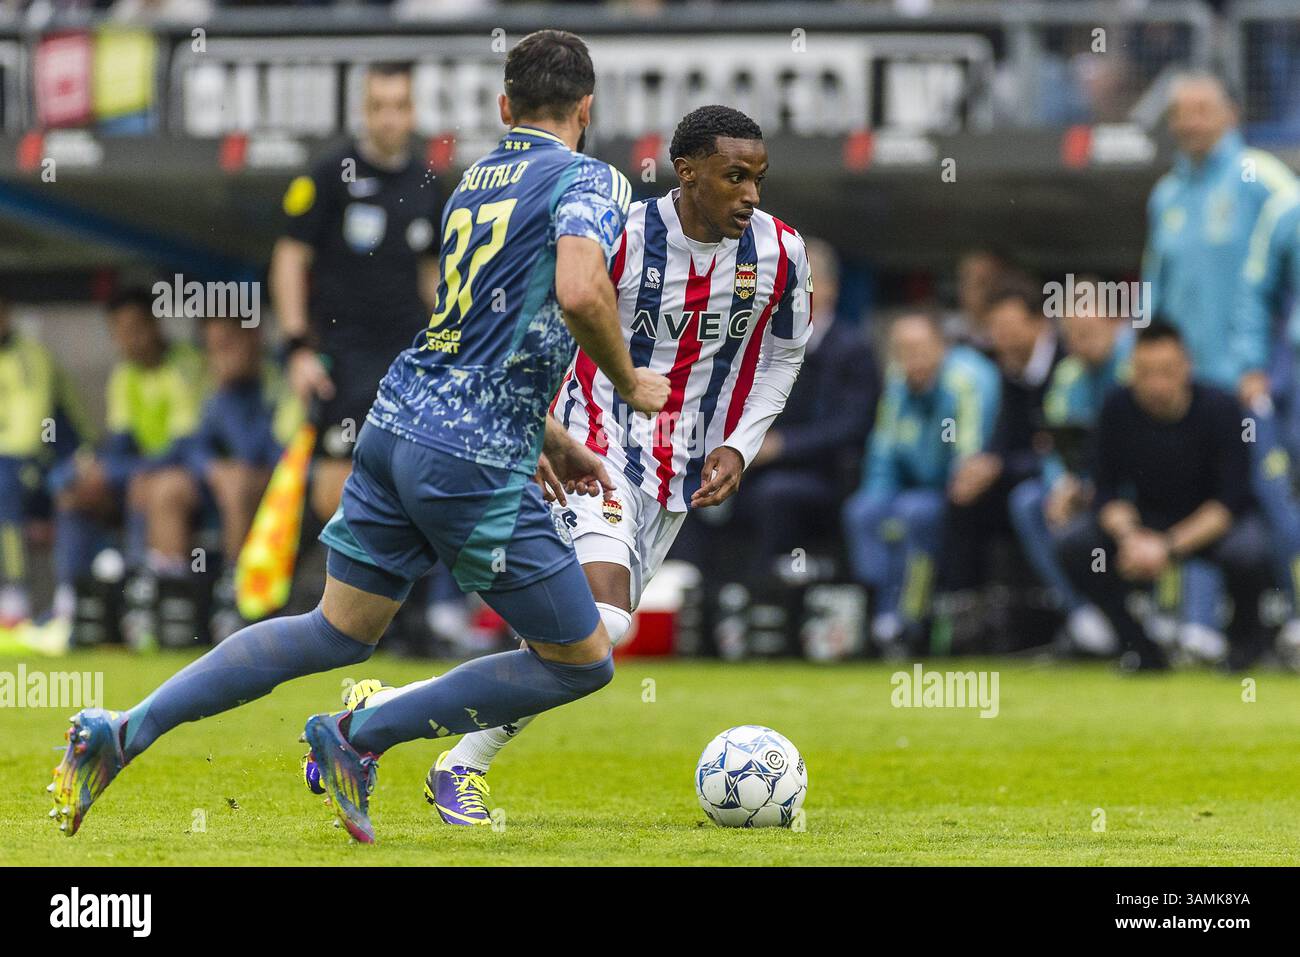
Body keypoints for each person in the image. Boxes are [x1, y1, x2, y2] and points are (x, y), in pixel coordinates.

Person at [50, 29, 670, 844]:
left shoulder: (474, 182)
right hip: (470, 456)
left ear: (503, 107)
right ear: (587, 109)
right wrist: (629, 381)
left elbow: (474, 330)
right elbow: (581, 289)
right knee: (582, 658)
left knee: (335, 629)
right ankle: (357, 735)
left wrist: (547, 433)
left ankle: (122, 728)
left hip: (394, 421)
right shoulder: (591, 178)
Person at [338, 105, 816, 826]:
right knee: (603, 624)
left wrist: (739, 443)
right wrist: (543, 431)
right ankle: (453, 760)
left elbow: (784, 353)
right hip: (597, 448)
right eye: (735, 177)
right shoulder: (622, 235)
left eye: (759, 178)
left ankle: (388, 715)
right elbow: (543, 320)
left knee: (577, 644)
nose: (752, 194)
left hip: (678, 474)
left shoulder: (780, 252)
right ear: (686, 174)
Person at [1144, 71, 1300, 647]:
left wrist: (1264, 363)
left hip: (1249, 380)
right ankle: (1197, 626)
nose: (1190, 121)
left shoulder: (1263, 178)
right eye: (1181, 111)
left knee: (1274, 495)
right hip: (1185, 387)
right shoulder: (1167, 193)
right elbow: (1153, 286)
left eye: (1202, 109)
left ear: (1232, 113)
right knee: (1189, 499)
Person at [270, 60, 443, 524]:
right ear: (363, 111)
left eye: (399, 106)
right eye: (378, 106)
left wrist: (451, 346)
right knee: (336, 497)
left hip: (407, 360)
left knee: (412, 488)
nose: (389, 117)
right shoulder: (331, 174)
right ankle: (336, 595)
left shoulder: (427, 182)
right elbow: (289, 261)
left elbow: (433, 278)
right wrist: (296, 347)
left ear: (413, 111)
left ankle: (411, 598)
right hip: (343, 358)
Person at [1055, 323, 1272, 671]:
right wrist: (1129, 537)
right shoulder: (1116, 407)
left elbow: (1230, 502)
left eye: (1167, 372)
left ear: (1187, 367)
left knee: (1249, 550)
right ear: (1132, 372)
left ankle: (1245, 645)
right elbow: (1105, 492)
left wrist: (1166, 547)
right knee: (1076, 545)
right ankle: (1140, 646)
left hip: (1208, 526)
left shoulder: (1222, 408)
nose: (1156, 385)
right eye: (1145, 373)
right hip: (1146, 523)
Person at [48, 289, 206, 629]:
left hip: (190, 473)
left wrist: (119, 470)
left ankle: (146, 596)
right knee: (75, 492)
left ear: (155, 325)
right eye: (118, 332)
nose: (127, 340)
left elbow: (184, 448)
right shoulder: (124, 375)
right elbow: (120, 444)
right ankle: (70, 603)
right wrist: (90, 468)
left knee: (144, 485)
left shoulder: (184, 365)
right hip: (145, 473)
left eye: (134, 328)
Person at [843, 310, 999, 652]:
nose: (911, 358)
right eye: (902, 350)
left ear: (941, 345)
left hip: (956, 495)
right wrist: (879, 501)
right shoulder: (898, 383)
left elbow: (969, 456)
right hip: (911, 489)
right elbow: (882, 452)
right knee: (863, 510)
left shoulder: (968, 379)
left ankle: (908, 620)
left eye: (919, 348)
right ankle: (878, 612)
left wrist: (959, 479)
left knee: (915, 513)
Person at [1007, 285, 1129, 654]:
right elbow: (1054, 446)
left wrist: (1098, 487)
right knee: (1029, 501)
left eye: (1088, 333)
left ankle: (1145, 612)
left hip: (1131, 488)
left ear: (1116, 323)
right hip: (1084, 489)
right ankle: (1082, 613)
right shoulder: (1069, 374)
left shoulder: (1136, 366)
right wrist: (1061, 485)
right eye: (1072, 335)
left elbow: (1142, 445)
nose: (1079, 344)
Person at [944, 277, 1066, 612]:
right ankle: (966, 610)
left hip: (1063, 478)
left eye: (1009, 326)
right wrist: (980, 465)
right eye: (995, 328)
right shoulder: (1005, 371)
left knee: (1028, 502)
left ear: (1039, 322)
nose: (1001, 336)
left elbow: (1057, 445)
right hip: (1020, 472)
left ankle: (1078, 610)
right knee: (962, 495)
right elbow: (1002, 437)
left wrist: (999, 466)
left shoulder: (1068, 366)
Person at [189, 316, 302, 640]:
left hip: (295, 484)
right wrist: (213, 468)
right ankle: (166, 592)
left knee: (238, 482)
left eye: (226, 346)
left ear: (253, 336)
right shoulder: (222, 393)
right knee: (165, 486)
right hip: (245, 489)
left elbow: (265, 450)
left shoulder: (280, 378)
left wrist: (227, 397)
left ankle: (238, 595)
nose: (218, 358)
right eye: (212, 350)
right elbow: (194, 448)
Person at [0, 293, 93, 626]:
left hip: (60, 459)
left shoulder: (30, 357)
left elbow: (30, 436)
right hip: (15, 463)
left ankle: (15, 599)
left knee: (4, 483)